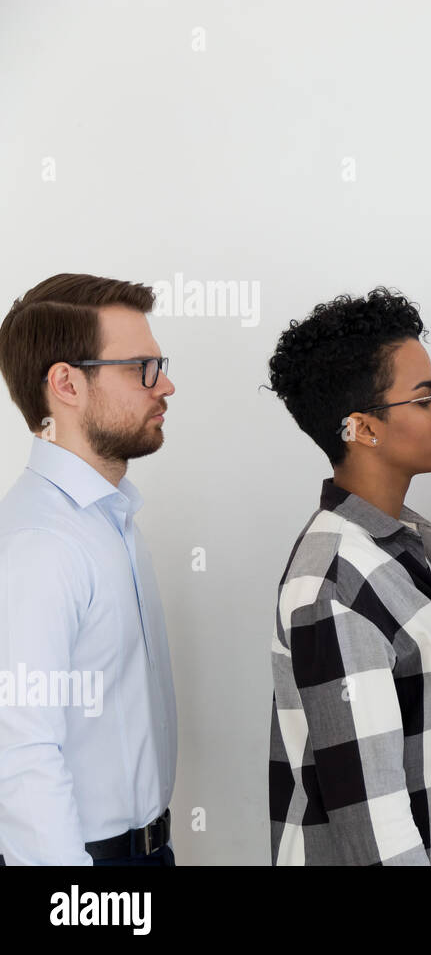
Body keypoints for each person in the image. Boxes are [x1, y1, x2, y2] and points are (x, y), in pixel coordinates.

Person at [266, 288, 431, 865]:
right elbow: (374, 826)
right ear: (364, 429)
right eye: (426, 398)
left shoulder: (402, 547)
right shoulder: (332, 583)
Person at [0, 273, 178, 866]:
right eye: (142, 369)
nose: (166, 386)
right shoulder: (41, 542)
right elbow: (18, 754)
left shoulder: (112, 519)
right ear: (65, 384)